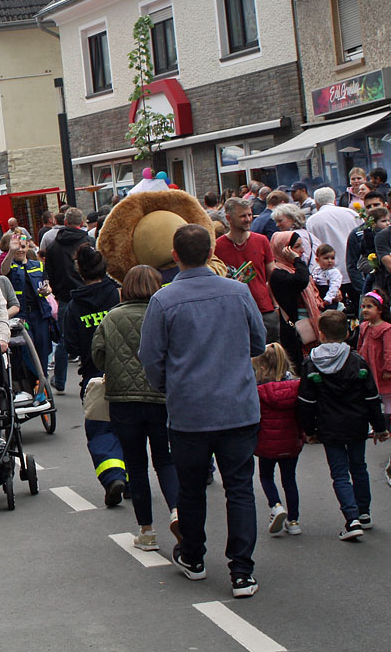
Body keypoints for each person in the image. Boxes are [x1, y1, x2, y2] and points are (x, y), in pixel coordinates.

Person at [139, 224, 266, 599]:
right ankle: (242, 571)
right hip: (237, 406)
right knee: (240, 488)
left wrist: (169, 385)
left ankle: (193, 557)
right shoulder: (238, 292)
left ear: (174, 256)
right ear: (211, 252)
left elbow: (150, 358)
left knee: (191, 489)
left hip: (190, 410)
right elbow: (258, 341)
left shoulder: (163, 300)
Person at [93, 265, 180, 550]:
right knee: (165, 459)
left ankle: (147, 531)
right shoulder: (164, 313)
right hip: (160, 396)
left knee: (137, 466)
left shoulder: (112, 317)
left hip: (123, 401)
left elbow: (98, 355)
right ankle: (178, 511)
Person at [298, 309, 390, 539]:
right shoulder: (356, 360)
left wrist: (308, 430)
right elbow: (371, 396)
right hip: (357, 423)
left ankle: (351, 518)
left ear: (320, 333)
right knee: (359, 467)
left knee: (339, 473)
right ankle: (364, 512)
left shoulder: (311, 363)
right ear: (348, 332)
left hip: (329, 425)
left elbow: (306, 401)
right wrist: (379, 427)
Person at [63, 245, 127, 504]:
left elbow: (71, 346)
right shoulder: (119, 296)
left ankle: (112, 477)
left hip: (94, 379)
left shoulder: (74, 307)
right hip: (126, 374)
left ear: (80, 272)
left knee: (101, 432)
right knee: (129, 431)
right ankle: (134, 482)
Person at [251, 342, 303, 536]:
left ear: (262, 366)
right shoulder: (296, 387)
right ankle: (294, 520)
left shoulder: (259, 390)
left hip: (267, 441)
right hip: (290, 439)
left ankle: (276, 505)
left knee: (266, 476)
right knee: (290, 479)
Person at [215, 197, 279, 343]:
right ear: (229, 218)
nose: (248, 219)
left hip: (264, 309)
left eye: (249, 215)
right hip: (235, 312)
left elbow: (272, 276)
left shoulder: (262, 241)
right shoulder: (218, 247)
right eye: (243, 216)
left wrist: (276, 305)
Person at [0, 234, 54, 403]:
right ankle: (33, 384)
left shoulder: (37, 265)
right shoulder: (10, 266)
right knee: (27, 352)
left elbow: (47, 284)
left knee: (43, 350)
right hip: (21, 317)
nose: (20, 250)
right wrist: (11, 252)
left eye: (23, 247)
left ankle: (42, 383)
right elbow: (3, 270)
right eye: (17, 247)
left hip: (40, 314)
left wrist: (48, 290)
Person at [44, 208, 92, 394]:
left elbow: (50, 272)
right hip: (87, 293)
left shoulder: (54, 246)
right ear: (81, 223)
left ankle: (61, 379)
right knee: (93, 333)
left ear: (64, 222)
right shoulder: (88, 241)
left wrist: (57, 290)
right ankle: (95, 374)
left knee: (64, 339)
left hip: (65, 297)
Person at [269, 231, 321, 370]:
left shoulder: (294, 268)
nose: (302, 251)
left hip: (307, 324)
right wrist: (297, 260)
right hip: (295, 330)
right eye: (297, 247)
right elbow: (301, 280)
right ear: (285, 249)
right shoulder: (279, 273)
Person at [356, 289, 391, 488]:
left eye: (370, 306)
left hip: (381, 369)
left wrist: (388, 367)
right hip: (368, 367)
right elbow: (360, 346)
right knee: (370, 395)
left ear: (380, 309)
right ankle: (374, 423)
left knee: (386, 397)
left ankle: (386, 422)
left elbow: (388, 350)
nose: (365, 310)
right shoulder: (363, 327)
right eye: (363, 306)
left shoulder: (386, 329)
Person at [346, 191, 386, 298]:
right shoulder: (357, 233)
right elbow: (352, 265)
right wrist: (365, 290)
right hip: (371, 287)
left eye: (376, 205)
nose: (372, 208)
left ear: (385, 206)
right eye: (368, 206)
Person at [310, 243, 343, 310]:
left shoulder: (334, 272)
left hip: (328, 295)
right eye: (326, 258)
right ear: (317, 260)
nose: (330, 261)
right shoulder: (316, 270)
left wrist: (328, 299)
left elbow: (334, 286)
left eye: (332, 258)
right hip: (318, 295)